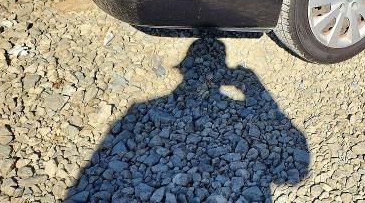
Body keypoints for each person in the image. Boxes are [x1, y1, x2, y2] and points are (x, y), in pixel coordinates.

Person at [67, 38, 309, 202]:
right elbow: (294, 174)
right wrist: (253, 88)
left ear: (183, 70)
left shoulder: (141, 109)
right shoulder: (144, 109)